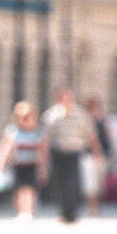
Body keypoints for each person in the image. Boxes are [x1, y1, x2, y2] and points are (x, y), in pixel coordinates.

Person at [42, 87, 98, 223]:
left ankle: (72, 212)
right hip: (58, 152)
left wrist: (97, 150)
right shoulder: (51, 115)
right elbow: (45, 138)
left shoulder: (81, 114)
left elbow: (90, 134)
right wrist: (43, 158)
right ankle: (64, 211)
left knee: (73, 183)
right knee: (60, 183)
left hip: (74, 152)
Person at [0, 101, 47, 221]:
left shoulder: (38, 133)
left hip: (32, 164)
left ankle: (29, 211)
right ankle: (21, 211)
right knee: (19, 189)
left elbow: (42, 151)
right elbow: (4, 148)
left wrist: (43, 168)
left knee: (30, 189)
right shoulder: (12, 132)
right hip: (18, 164)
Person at [83, 96, 112, 217]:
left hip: (102, 155)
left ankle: (97, 206)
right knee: (90, 182)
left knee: (100, 183)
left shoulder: (102, 120)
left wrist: (109, 150)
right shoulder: (85, 120)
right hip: (89, 155)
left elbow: (106, 136)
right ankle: (92, 207)